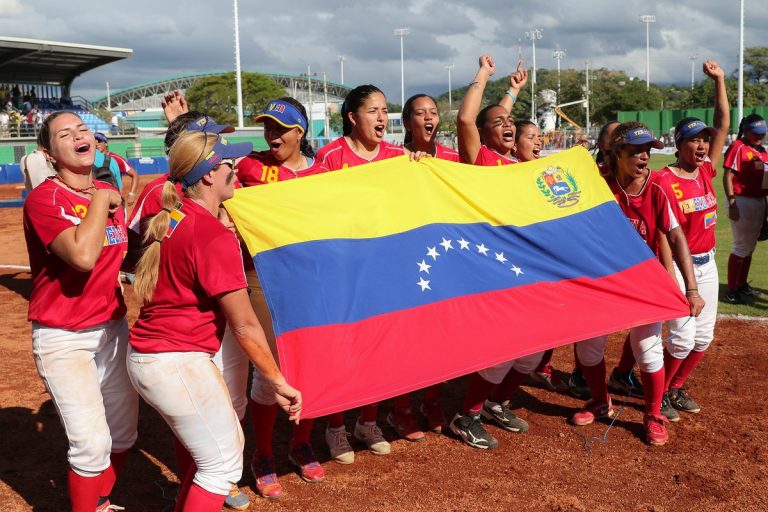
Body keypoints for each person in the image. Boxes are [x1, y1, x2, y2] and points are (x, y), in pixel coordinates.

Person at [128, 130, 302, 512]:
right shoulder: (211, 233)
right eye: (228, 164)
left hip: (156, 356)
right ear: (208, 174)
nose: (235, 170)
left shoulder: (174, 216)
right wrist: (277, 380)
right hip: (174, 361)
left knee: (215, 455)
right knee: (223, 465)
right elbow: (245, 326)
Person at [22, 111, 138, 511]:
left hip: (113, 327)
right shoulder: (44, 199)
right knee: (91, 444)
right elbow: (83, 257)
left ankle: (99, 502)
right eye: (64, 134)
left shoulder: (106, 192)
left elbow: (126, 253)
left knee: (123, 434)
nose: (77, 136)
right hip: (64, 336)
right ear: (48, 154)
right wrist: (102, 199)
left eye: (82, 129)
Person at [570, 122, 704, 447]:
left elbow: (676, 236)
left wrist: (691, 289)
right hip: (603, 280)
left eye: (647, 151)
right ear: (618, 154)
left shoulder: (656, 187)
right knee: (588, 348)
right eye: (636, 151)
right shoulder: (599, 185)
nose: (644, 157)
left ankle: (653, 414)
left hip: (645, 281)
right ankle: (600, 401)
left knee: (647, 349)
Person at [234, 98, 330, 498]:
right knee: (269, 366)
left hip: (311, 280)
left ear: (299, 132)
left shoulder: (323, 172)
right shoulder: (250, 167)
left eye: (279, 128)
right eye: (267, 127)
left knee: (313, 363)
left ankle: (300, 443)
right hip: (262, 278)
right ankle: (262, 454)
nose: (271, 134)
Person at [316, 84, 405, 464]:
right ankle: (335, 425)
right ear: (353, 117)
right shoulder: (330, 156)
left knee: (381, 348)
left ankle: (367, 422)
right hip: (343, 271)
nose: (382, 117)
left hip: (385, 270)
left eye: (384, 110)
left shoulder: (399, 157)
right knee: (343, 350)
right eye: (373, 110)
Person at [656, 60, 729, 422]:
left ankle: (674, 388)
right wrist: (673, 277)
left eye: (704, 140)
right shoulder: (664, 181)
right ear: (679, 144)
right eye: (694, 140)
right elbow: (663, 233)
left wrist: (719, 80)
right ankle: (657, 396)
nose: (702, 145)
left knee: (703, 338)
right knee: (682, 338)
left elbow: (723, 123)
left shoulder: (705, 170)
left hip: (707, 263)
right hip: (678, 268)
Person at [384, 94, 460, 444]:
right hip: (405, 259)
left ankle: (431, 400)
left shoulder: (452, 159)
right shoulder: (394, 160)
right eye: (420, 113)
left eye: (433, 112)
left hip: (442, 259)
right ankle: (400, 407)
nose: (429, 117)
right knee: (408, 336)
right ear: (407, 121)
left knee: (440, 335)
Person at [723, 113, 767, 303]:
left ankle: (741, 285)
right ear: (746, 131)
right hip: (742, 200)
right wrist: (732, 202)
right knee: (741, 246)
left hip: (759, 201)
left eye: (762, 132)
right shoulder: (738, 147)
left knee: (749, 247)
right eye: (755, 132)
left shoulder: (762, 151)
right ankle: (732, 290)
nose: (759, 136)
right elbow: (728, 176)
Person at [456, 55, 526, 166]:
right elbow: (465, 119)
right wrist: (484, 72)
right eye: (498, 122)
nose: (508, 124)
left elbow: (499, 113)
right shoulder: (481, 156)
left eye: (511, 121)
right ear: (481, 133)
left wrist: (514, 89)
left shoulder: (521, 163)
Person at [94, 132, 139, 206]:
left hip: (115, 198)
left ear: (106, 143)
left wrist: (132, 194)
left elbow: (134, 175)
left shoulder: (115, 158)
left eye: (99, 141)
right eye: (94, 142)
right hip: (96, 198)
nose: (96, 144)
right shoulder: (90, 158)